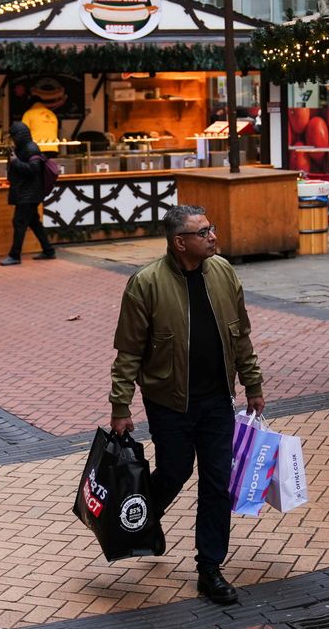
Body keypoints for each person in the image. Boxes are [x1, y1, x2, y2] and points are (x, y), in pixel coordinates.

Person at [107, 204, 265, 606]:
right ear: (180, 242)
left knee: (217, 484)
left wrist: (252, 383)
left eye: (211, 229)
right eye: (204, 232)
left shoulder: (224, 273)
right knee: (175, 471)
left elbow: (240, 334)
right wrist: (121, 407)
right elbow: (128, 352)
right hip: (168, 402)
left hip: (216, 401)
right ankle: (145, 519)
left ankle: (209, 569)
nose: (213, 236)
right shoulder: (146, 284)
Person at [0, 121, 56, 266]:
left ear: (19, 136)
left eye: (12, 136)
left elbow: (34, 169)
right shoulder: (22, 147)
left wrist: (15, 161)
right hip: (27, 192)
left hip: (29, 193)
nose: (11, 140)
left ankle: (15, 255)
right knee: (33, 222)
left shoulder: (31, 148)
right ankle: (48, 250)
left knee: (19, 222)